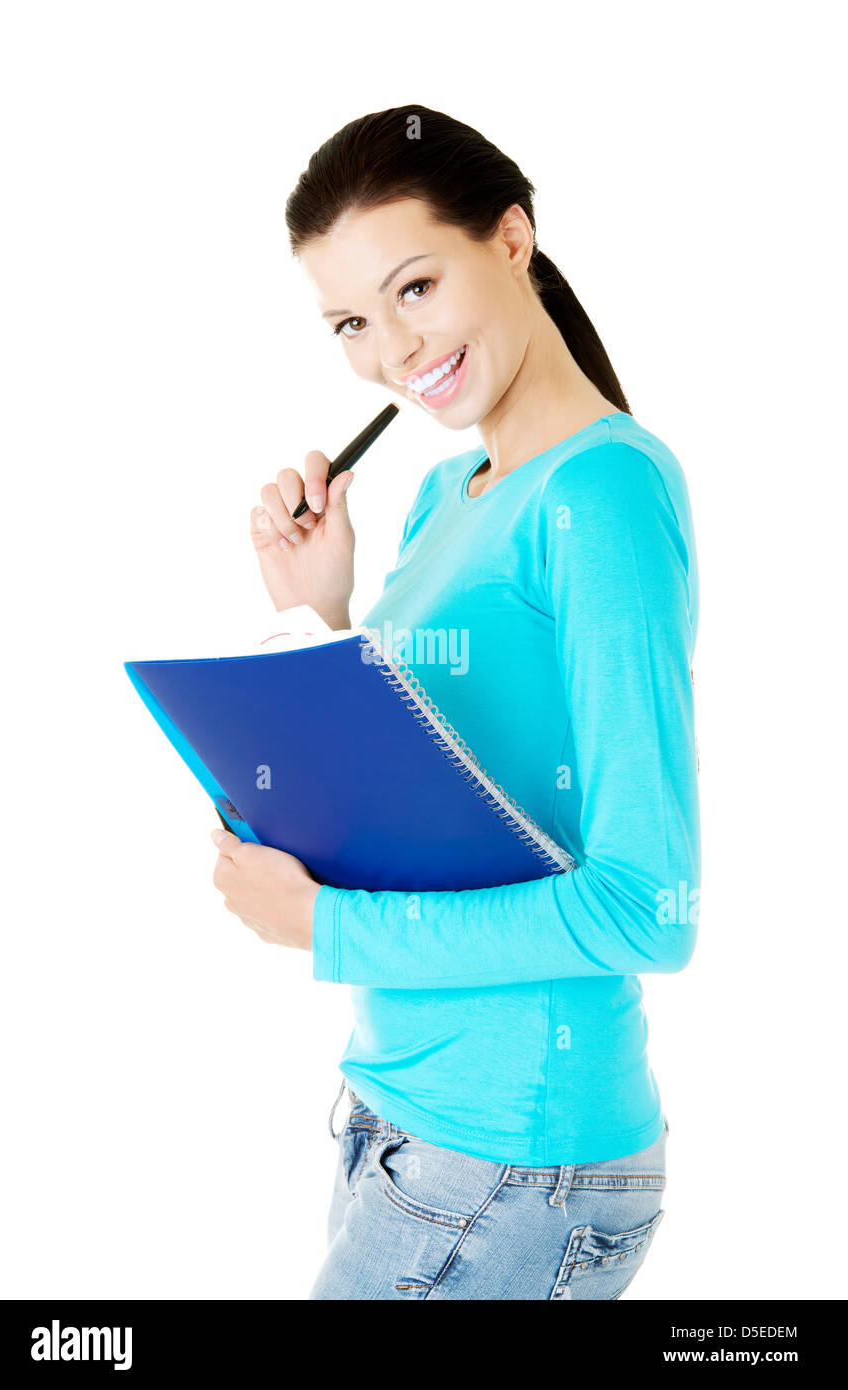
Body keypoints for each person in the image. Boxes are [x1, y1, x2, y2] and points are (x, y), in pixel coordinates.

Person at [209, 104, 701, 1300]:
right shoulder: (444, 495)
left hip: (515, 1159)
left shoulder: (606, 496)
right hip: (403, 1118)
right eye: (350, 324)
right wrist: (319, 619)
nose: (388, 353)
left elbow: (651, 907)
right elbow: (421, 800)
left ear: (514, 240)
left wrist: (325, 930)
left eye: (415, 288)